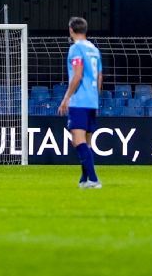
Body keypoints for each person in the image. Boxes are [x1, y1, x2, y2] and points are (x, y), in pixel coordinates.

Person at [57, 16, 102, 189]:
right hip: (91, 100)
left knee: (78, 140)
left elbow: (78, 74)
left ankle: (93, 179)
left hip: (79, 100)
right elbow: (99, 76)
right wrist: (95, 98)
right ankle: (84, 180)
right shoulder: (94, 49)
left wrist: (66, 97)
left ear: (71, 30)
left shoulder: (76, 48)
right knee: (84, 142)